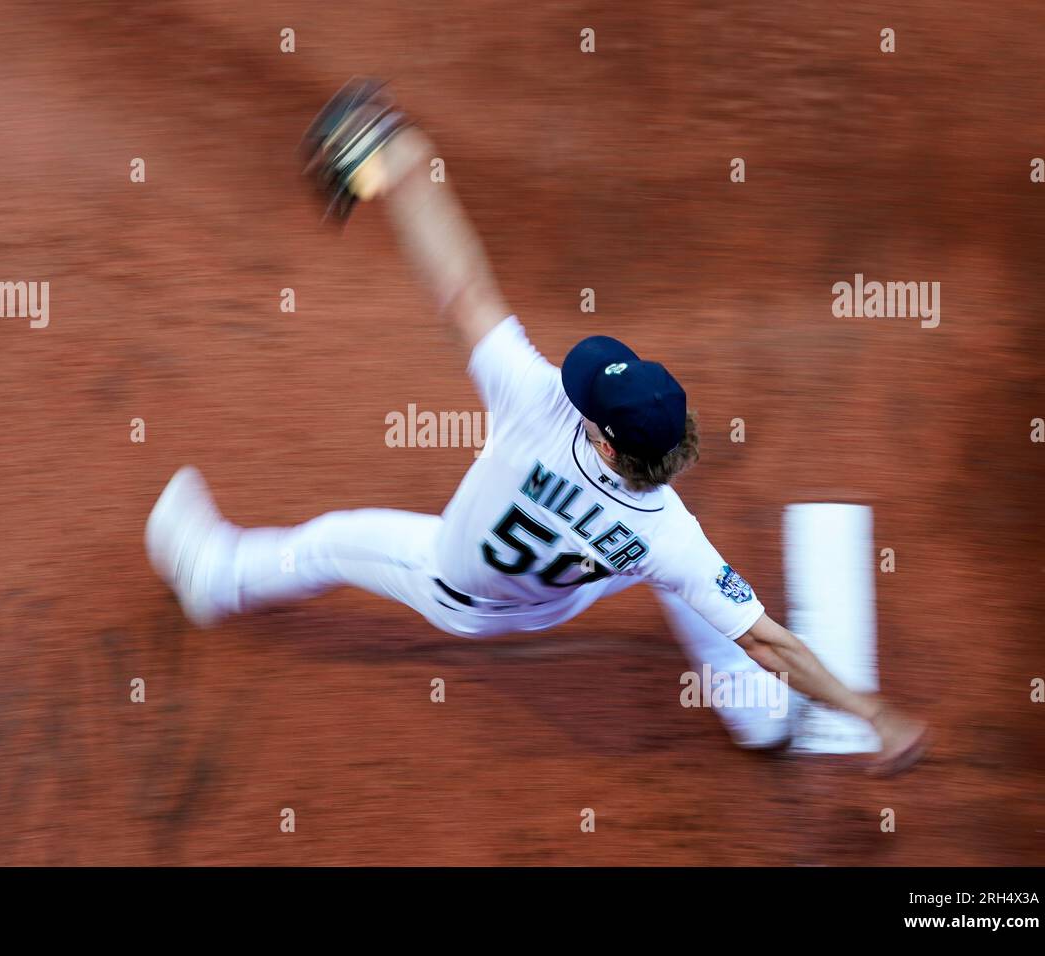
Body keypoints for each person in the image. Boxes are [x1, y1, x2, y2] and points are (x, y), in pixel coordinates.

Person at [146, 80, 928, 773]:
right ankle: (759, 721)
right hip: (578, 582)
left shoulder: (537, 403)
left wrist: (408, 168)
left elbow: (462, 291)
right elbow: (772, 641)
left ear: (608, 440)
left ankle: (217, 576)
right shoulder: (671, 532)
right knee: (703, 599)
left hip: (456, 586)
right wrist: (871, 711)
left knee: (332, 540)